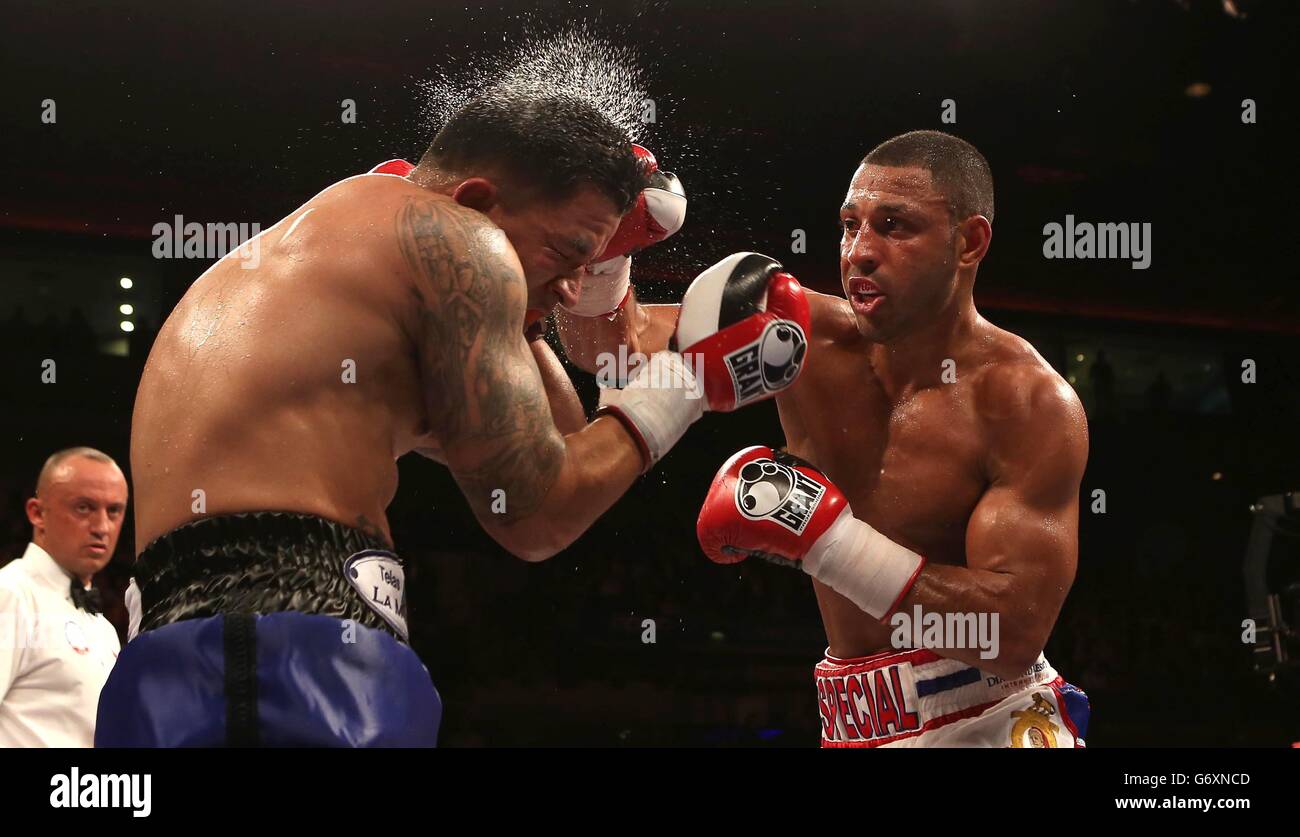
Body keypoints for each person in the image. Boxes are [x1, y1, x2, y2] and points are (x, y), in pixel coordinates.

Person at [98, 90, 809, 747]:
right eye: (567, 252)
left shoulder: (338, 251)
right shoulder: (457, 238)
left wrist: (551, 302)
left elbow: (557, 446)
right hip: (282, 654)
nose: (569, 288)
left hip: (186, 655)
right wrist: (684, 382)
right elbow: (536, 512)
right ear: (475, 200)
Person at [565, 130, 1091, 748]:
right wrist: (603, 252)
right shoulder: (798, 332)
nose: (859, 253)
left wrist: (826, 541)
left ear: (969, 242)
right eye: (849, 225)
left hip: (992, 722)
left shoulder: (1026, 402)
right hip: (851, 723)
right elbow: (612, 354)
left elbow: (1009, 637)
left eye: (894, 225)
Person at [0, 447, 125, 747]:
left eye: (114, 511)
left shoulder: (103, 627)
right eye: (84, 508)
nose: (102, 527)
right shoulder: (11, 594)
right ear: (37, 513)